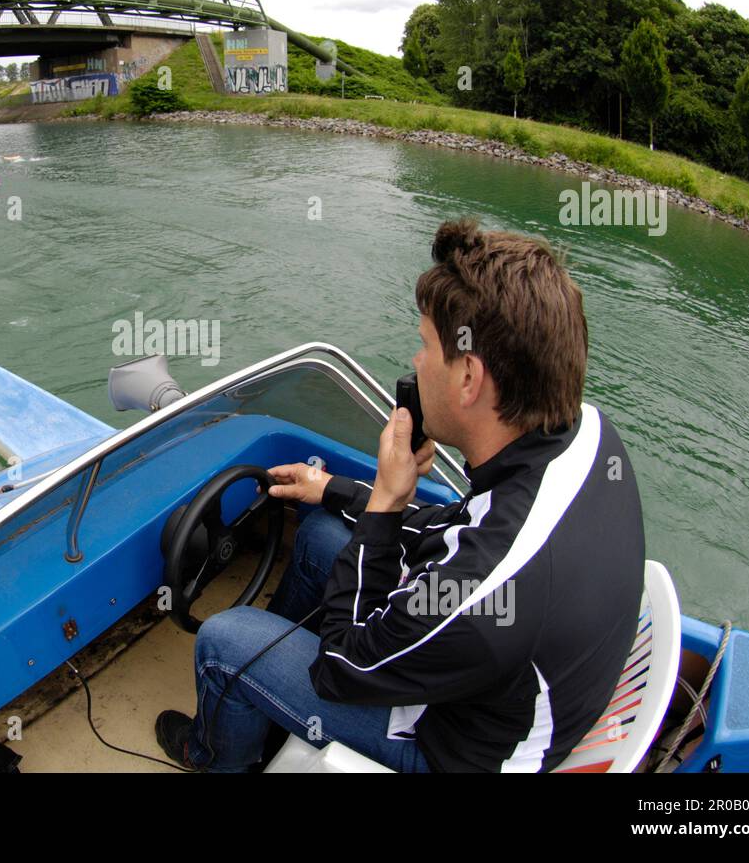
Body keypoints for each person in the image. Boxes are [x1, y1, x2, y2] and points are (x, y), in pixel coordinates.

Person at [154, 217, 646, 773]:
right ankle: (266, 707)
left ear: (468, 379)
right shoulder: (584, 432)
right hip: (507, 687)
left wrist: (387, 500)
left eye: (425, 345)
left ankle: (217, 752)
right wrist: (338, 490)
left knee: (225, 644)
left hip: (453, 749)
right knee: (320, 535)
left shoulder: (484, 591)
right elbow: (461, 530)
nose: (415, 363)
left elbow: (339, 667)